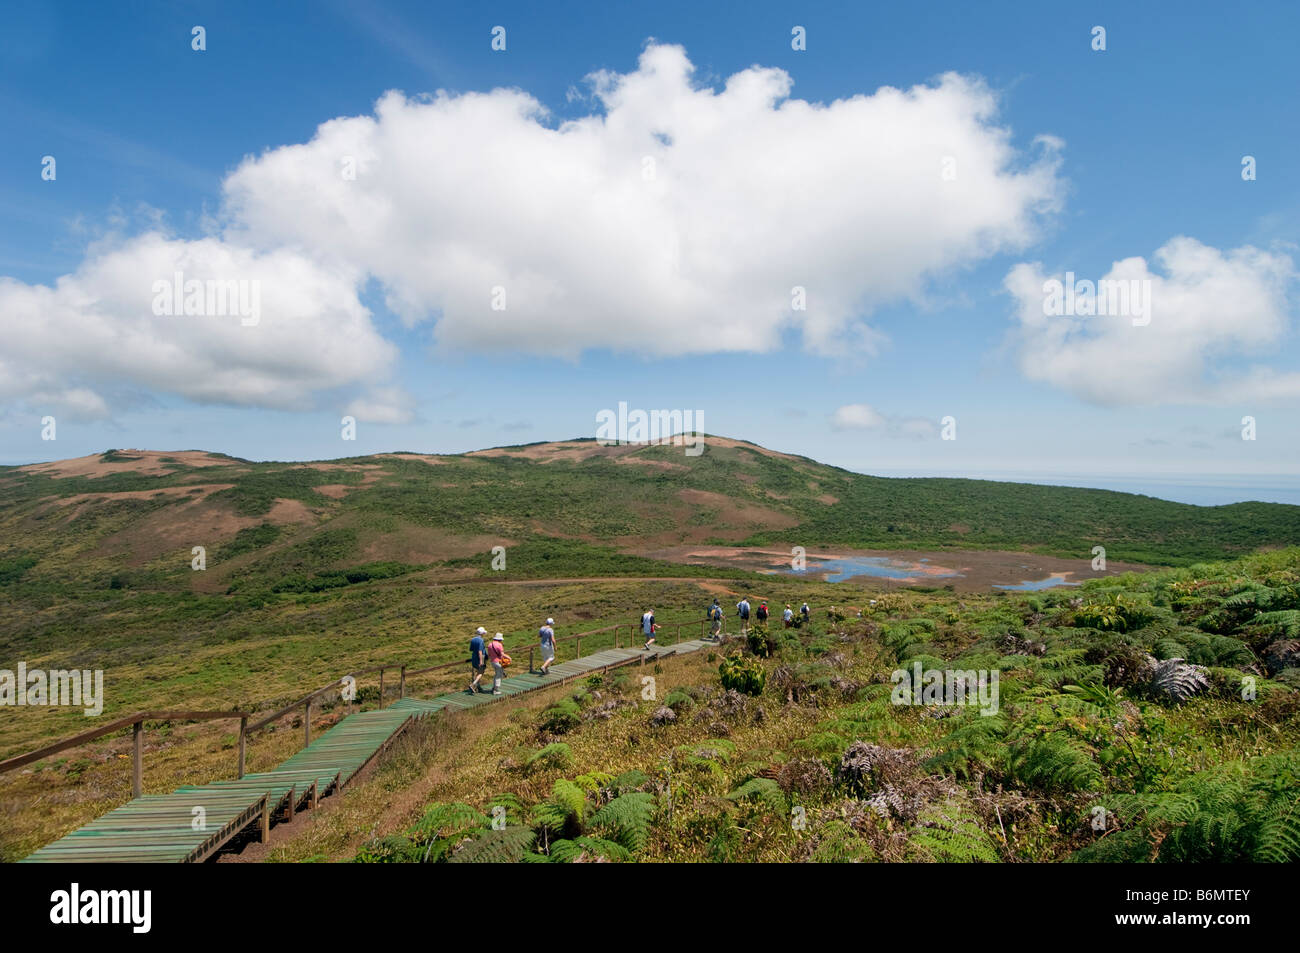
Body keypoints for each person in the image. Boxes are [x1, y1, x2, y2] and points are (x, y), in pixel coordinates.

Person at [468, 626, 488, 694]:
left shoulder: (473, 639)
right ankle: (473, 685)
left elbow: (471, 649)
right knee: (481, 672)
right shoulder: (481, 640)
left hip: (474, 657)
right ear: (482, 633)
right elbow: (480, 651)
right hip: (480, 657)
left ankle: (478, 686)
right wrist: (481, 661)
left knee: (477, 671)